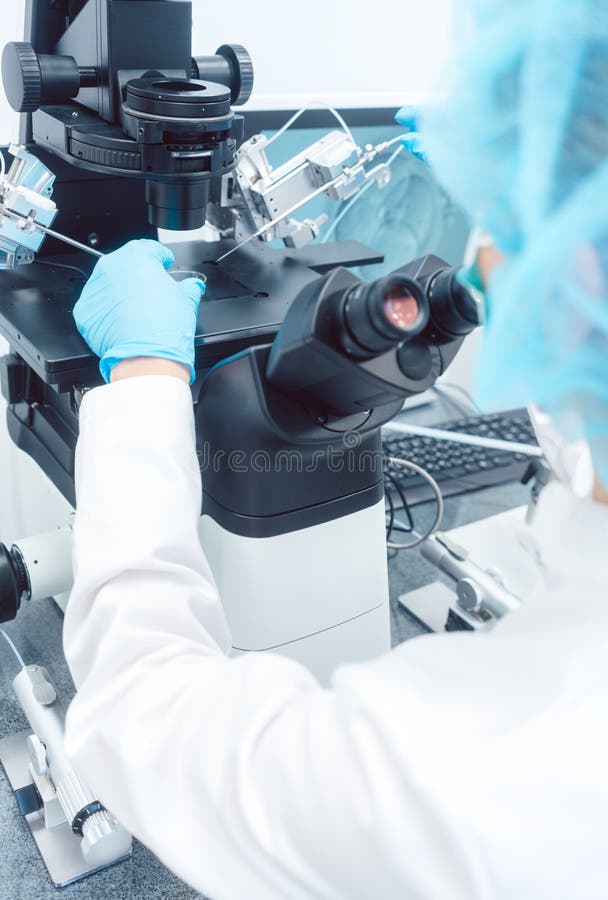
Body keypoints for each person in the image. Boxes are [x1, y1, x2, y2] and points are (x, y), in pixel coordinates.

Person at [63, 1, 608, 897]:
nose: (481, 270)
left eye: (511, 227)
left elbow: (144, 709)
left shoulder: (479, 776)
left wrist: (149, 382)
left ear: (579, 273)